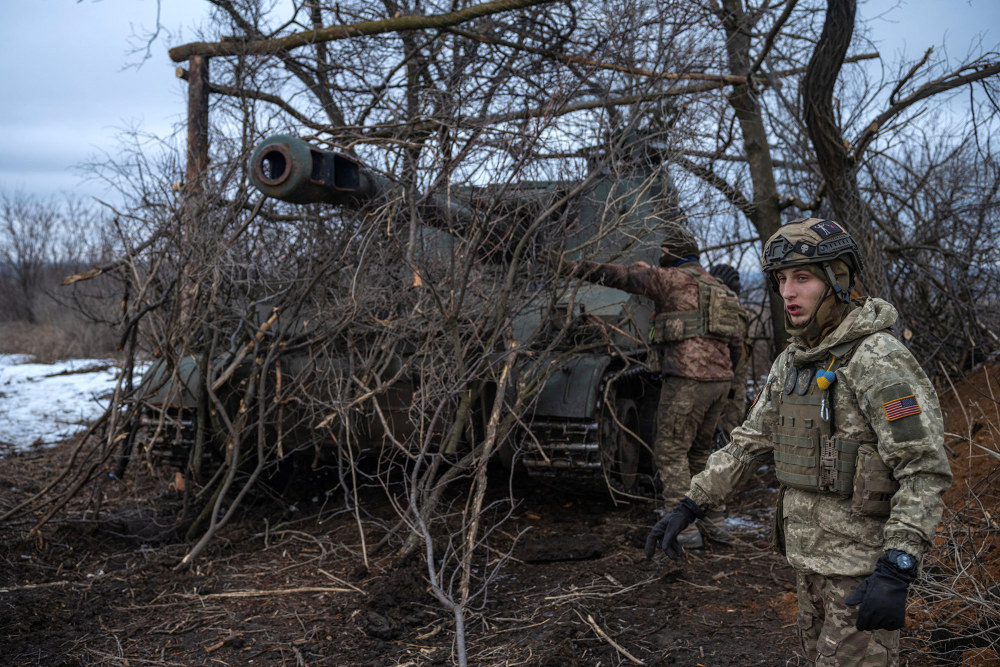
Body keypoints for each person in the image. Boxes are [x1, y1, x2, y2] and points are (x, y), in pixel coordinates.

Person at [645, 218, 952, 666]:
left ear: (838, 280)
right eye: (782, 279)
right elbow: (750, 441)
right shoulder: (795, 360)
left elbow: (923, 468)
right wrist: (690, 503)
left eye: (803, 278)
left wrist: (898, 565)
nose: (788, 292)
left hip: (861, 574)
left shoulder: (877, 359)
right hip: (808, 564)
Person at [557, 225, 743, 549]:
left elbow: (621, 277)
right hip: (720, 381)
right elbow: (737, 343)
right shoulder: (720, 288)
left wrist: (569, 267)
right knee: (701, 453)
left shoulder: (672, 279)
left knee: (670, 452)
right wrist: (724, 374)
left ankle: (682, 530)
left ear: (670, 254)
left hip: (688, 380)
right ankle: (714, 521)